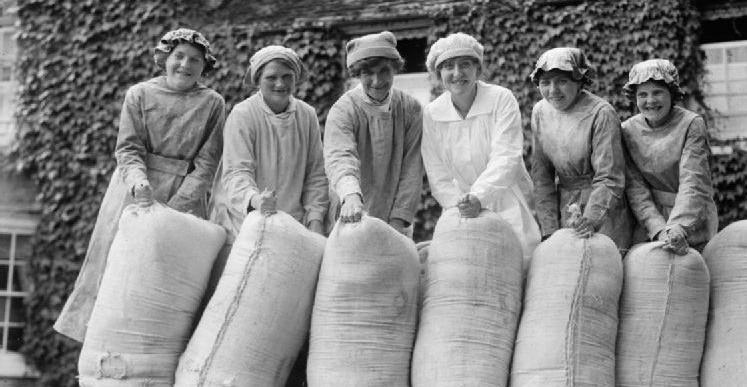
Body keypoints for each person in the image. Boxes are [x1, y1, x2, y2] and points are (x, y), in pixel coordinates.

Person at [54, 28, 225, 342]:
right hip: (134, 192)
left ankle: (158, 357)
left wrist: (174, 209)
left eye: (195, 60)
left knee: (169, 276)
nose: (185, 65)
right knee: (118, 269)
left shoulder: (213, 103)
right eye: (179, 56)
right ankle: (102, 350)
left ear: (205, 66)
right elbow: (128, 149)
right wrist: (139, 184)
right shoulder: (139, 94)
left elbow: (207, 162)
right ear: (164, 59)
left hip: (184, 198)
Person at [421, 33, 541, 265]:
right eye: (448, 67)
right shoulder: (431, 114)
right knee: (460, 269)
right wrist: (460, 204)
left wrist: (479, 197)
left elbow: (506, 156)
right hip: (459, 206)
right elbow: (437, 173)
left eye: (465, 64)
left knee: (516, 265)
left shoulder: (501, 99)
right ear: (438, 74)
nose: (457, 73)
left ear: (477, 68)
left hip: (506, 200)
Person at [210, 45, 328, 237]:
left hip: (291, 221)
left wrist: (315, 220)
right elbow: (236, 172)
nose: (280, 84)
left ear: (296, 78)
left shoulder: (307, 115)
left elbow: (315, 174)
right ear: (258, 80)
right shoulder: (243, 114)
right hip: (243, 220)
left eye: (287, 76)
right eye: (271, 78)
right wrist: (256, 200)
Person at [530, 47, 632, 250]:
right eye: (545, 82)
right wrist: (549, 229)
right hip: (566, 208)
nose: (553, 90)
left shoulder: (601, 113)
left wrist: (591, 219)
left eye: (562, 81)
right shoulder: (540, 112)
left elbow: (610, 176)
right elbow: (542, 177)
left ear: (579, 82)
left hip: (605, 209)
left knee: (602, 269)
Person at [323, 31, 423, 235]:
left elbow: (412, 169)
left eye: (384, 71)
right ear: (357, 74)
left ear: (395, 69)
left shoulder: (410, 109)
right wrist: (351, 196)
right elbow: (340, 157)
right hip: (350, 212)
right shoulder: (343, 110)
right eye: (368, 73)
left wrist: (398, 221)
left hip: (395, 217)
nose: (377, 81)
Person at [621, 59, 718, 254]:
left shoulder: (691, 124)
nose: (650, 101)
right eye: (643, 95)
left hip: (692, 218)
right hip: (649, 222)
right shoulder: (627, 130)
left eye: (657, 92)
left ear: (672, 94)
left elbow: (694, 180)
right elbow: (635, 188)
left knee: (693, 273)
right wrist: (657, 230)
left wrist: (678, 228)